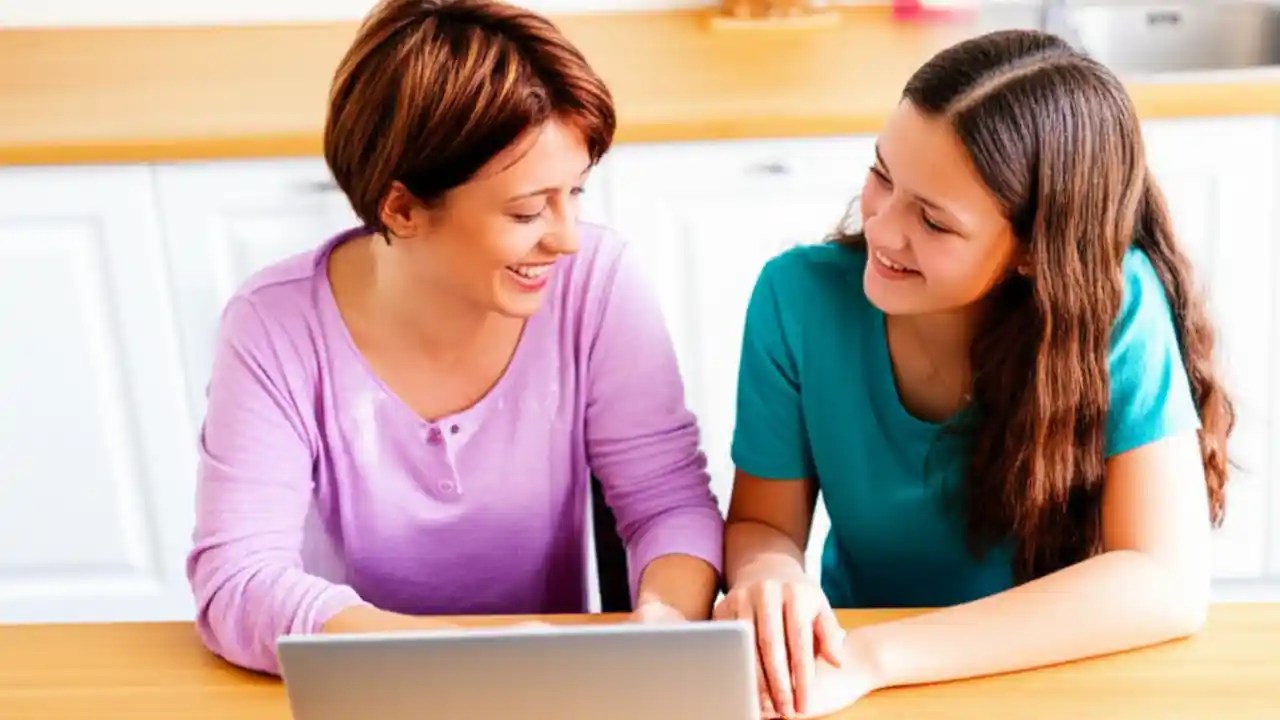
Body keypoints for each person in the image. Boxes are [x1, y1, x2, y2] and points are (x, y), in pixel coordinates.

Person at [186, 0, 723, 675]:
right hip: (363, 689)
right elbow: (237, 580)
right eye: (528, 210)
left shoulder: (596, 283)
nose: (565, 238)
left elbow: (668, 503)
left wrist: (663, 624)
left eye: (576, 193)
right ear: (401, 207)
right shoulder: (274, 326)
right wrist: (454, 660)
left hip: (554, 690)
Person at [716, 29, 1233, 719]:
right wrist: (768, 573)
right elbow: (763, 523)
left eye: (932, 220)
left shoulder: (1114, 304)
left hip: (1058, 678)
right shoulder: (796, 298)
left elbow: (1165, 581)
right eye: (881, 174)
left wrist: (878, 658)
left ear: (1032, 251)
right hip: (858, 684)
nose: (882, 228)